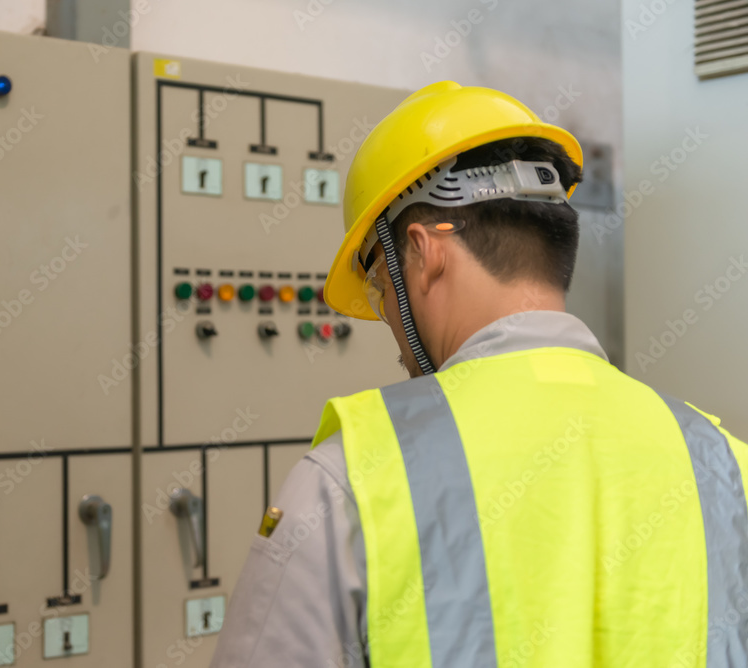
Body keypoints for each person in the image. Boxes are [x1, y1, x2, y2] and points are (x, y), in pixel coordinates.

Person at [210, 81, 748, 667]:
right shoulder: (724, 465)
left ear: (422, 254)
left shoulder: (353, 483)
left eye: (377, 282)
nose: (386, 313)